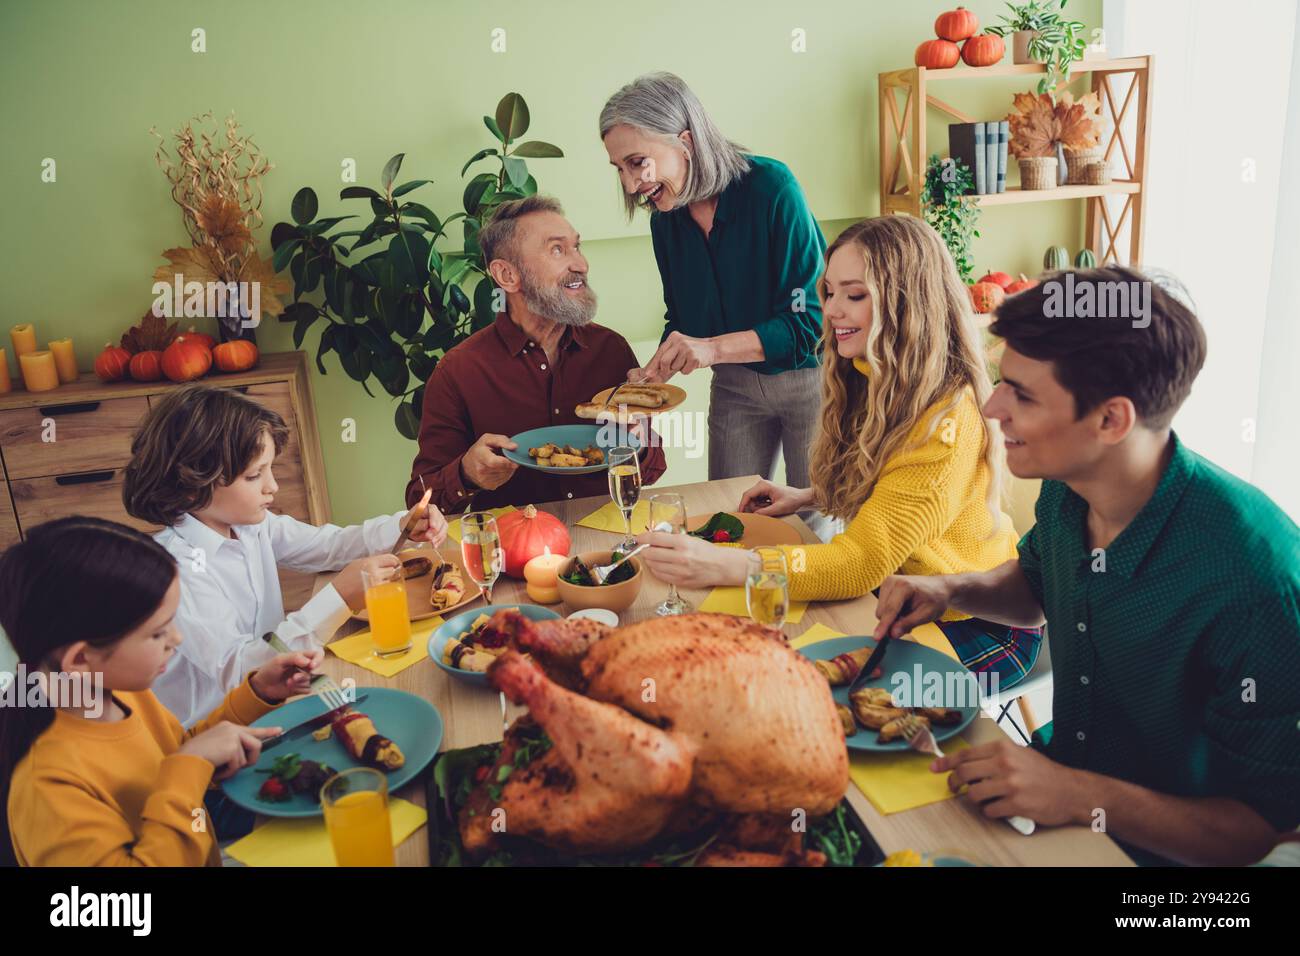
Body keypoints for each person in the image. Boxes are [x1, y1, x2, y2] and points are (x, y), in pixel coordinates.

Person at [873, 266, 1300, 866]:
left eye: (1020, 393)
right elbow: (1037, 589)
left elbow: (1261, 833)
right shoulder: (1067, 483)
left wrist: (1079, 796)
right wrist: (950, 589)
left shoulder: (1257, 578)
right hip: (1061, 809)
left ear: (1111, 420)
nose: (993, 407)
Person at [638, 216, 1040, 687]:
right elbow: (891, 488)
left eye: (855, 295)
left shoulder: (946, 419)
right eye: (828, 293)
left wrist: (728, 565)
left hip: (977, 620)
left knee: (809, 691)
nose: (830, 309)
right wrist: (810, 497)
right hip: (898, 593)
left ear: (907, 302)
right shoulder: (874, 374)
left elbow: (858, 563)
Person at [123, 384, 446, 728]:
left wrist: (400, 525)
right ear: (192, 484)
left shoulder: (249, 526)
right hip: (222, 731)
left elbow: (327, 546)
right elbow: (239, 671)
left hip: (277, 696)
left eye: (269, 469)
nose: (272, 486)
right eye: (254, 475)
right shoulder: (177, 570)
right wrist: (338, 598)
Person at [0, 517, 315, 866]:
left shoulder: (122, 693)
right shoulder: (48, 787)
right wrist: (188, 766)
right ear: (81, 659)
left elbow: (179, 754)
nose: (176, 639)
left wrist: (256, 693)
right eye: (157, 633)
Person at [601, 71, 826, 490]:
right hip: (735, 386)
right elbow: (685, 318)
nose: (631, 185)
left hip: (812, 384)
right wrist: (655, 374)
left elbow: (809, 323)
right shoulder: (666, 223)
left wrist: (711, 349)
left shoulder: (772, 189)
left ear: (685, 142)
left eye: (637, 163)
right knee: (728, 514)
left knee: (811, 523)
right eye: (619, 168)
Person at [406, 195, 666, 513]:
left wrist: (638, 443)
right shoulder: (458, 372)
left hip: (609, 539)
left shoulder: (611, 350)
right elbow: (420, 501)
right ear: (507, 275)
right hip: (517, 549)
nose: (581, 265)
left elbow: (654, 469)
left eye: (577, 247)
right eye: (557, 249)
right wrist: (467, 473)